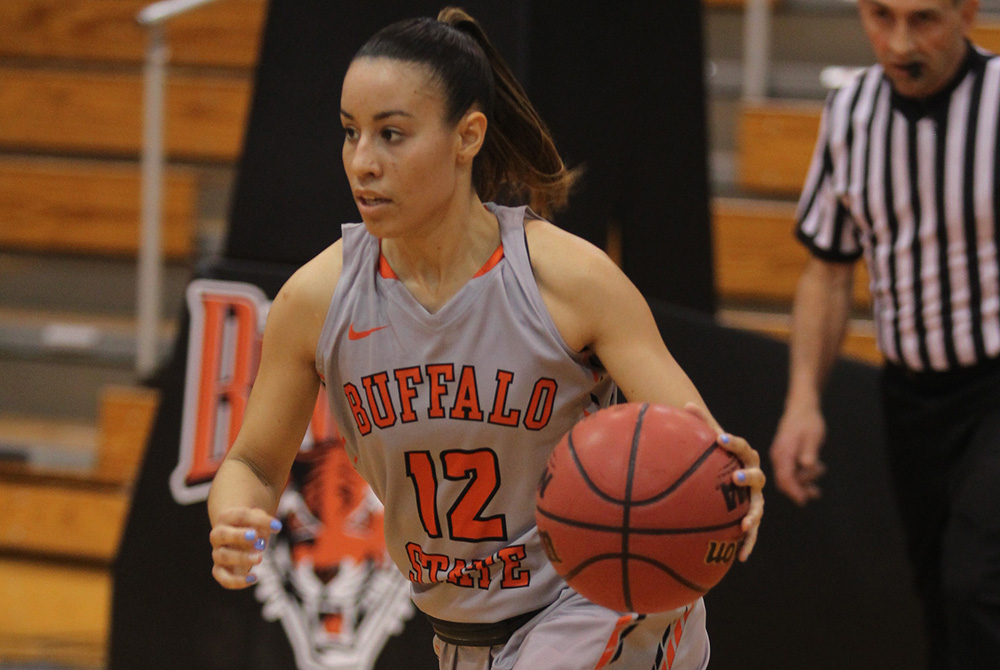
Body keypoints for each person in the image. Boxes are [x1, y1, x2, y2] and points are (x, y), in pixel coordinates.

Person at [207, 8, 764, 669]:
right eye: (351, 132)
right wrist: (236, 517)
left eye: (391, 135)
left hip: (603, 603)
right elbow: (254, 463)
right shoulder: (315, 301)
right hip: (466, 637)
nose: (363, 162)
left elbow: (697, 442)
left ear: (467, 136)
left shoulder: (567, 280)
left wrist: (732, 480)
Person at [769, 0, 1000, 667]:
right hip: (911, 398)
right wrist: (802, 402)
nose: (899, 43)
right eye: (880, 16)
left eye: (923, 19)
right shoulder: (851, 111)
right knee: (937, 597)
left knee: (976, 583)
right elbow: (828, 273)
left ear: (967, 12)